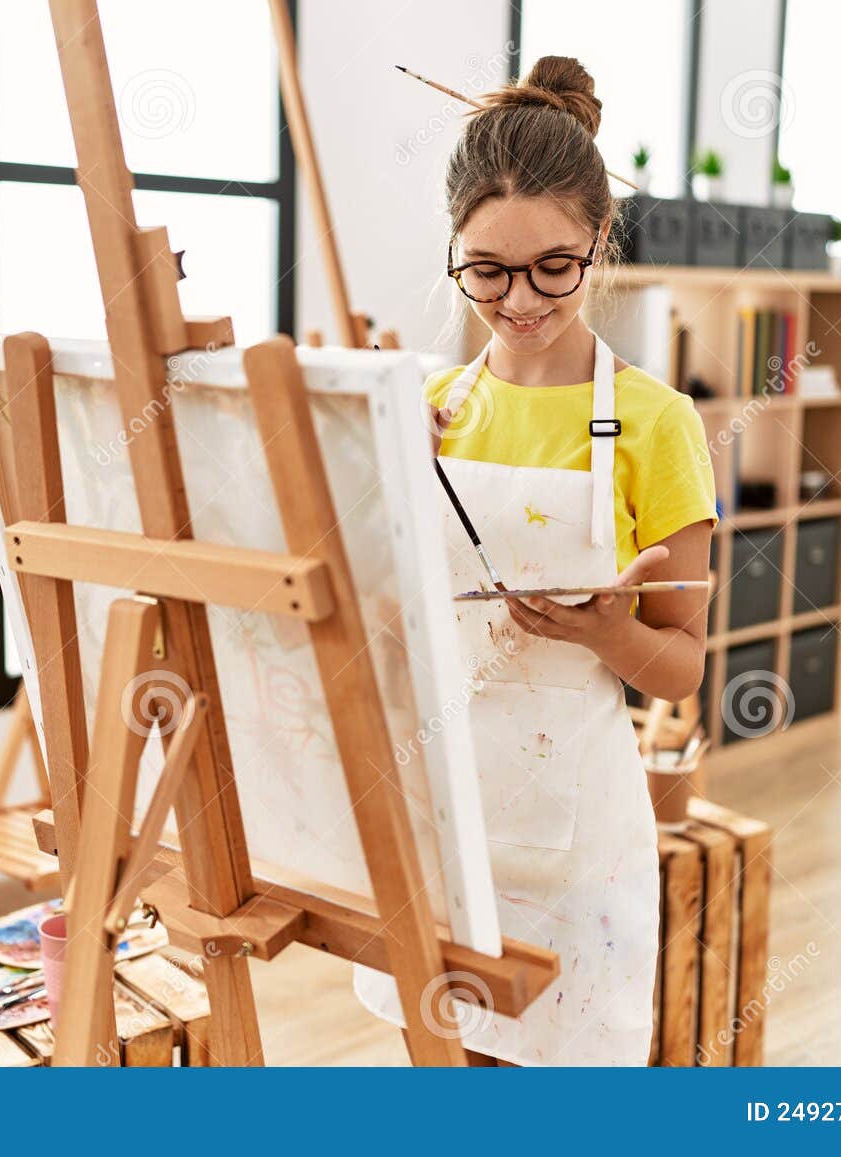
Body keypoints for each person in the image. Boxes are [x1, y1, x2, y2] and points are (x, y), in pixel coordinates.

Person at [355, 54, 717, 1066]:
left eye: (554, 265)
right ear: (454, 253)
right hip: (441, 815)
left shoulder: (658, 424)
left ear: (600, 242)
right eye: (486, 270)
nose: (519, 298)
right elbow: (378, 622)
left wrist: (613, 635)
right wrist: (381, 483)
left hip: (575, 848)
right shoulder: (425, 410)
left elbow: (683, 667)